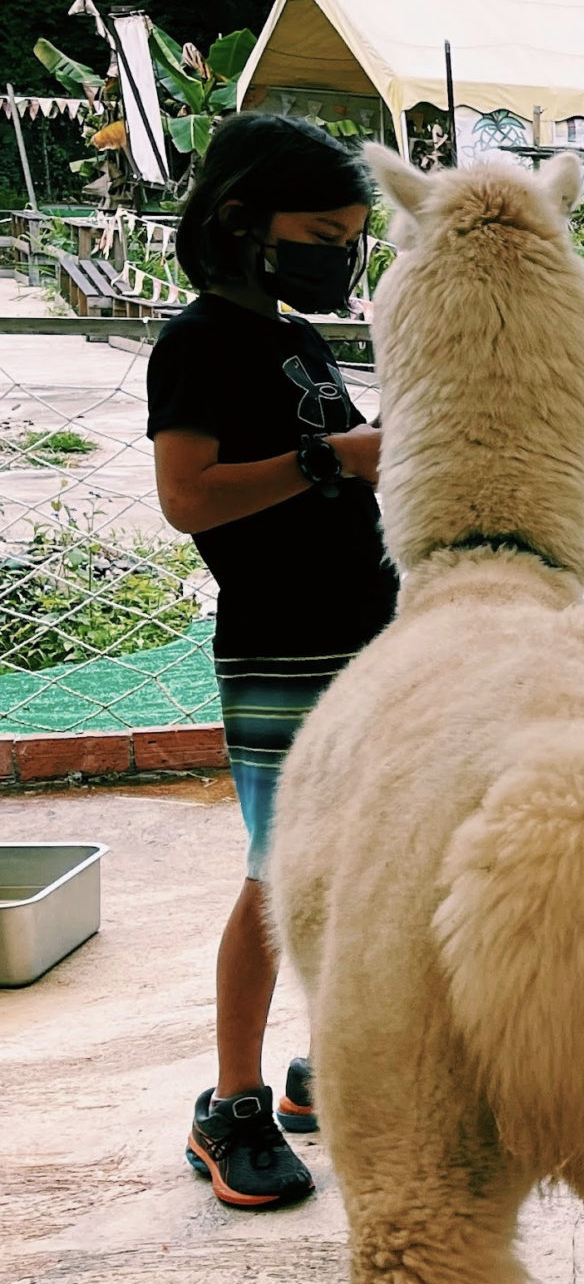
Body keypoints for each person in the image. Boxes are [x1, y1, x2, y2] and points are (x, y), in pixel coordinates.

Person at [150, 114, 394, 1203]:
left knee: (367, 861)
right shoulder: (198, 343)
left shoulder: (297, 338)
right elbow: (187, 497)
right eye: (323, 236)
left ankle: (324, 1067)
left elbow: (345, 463)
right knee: (277, 872)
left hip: (368, 637)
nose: (340, 258)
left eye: (350, 239)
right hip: (281, 649)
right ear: (242, 221)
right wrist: (332, 457)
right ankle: (232, 1102)